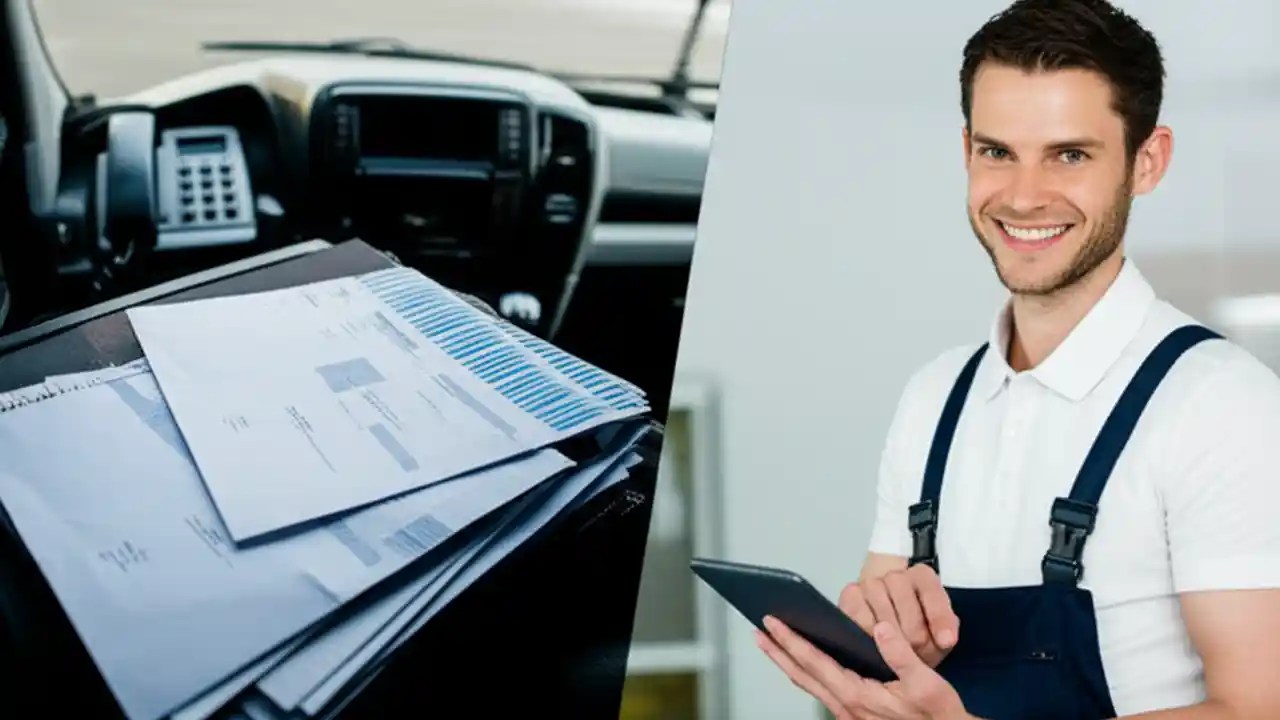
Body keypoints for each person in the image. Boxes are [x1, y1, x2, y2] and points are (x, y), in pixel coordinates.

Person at [755, 1, 1280, 718]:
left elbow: (1260, 706)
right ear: (967, 150)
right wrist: (872, 666)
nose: (1025, 196)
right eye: (998, 152)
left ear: (1147, 161)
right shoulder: (934, 396)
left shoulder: (1222, 404)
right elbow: (885, 672)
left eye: (1069, 154)